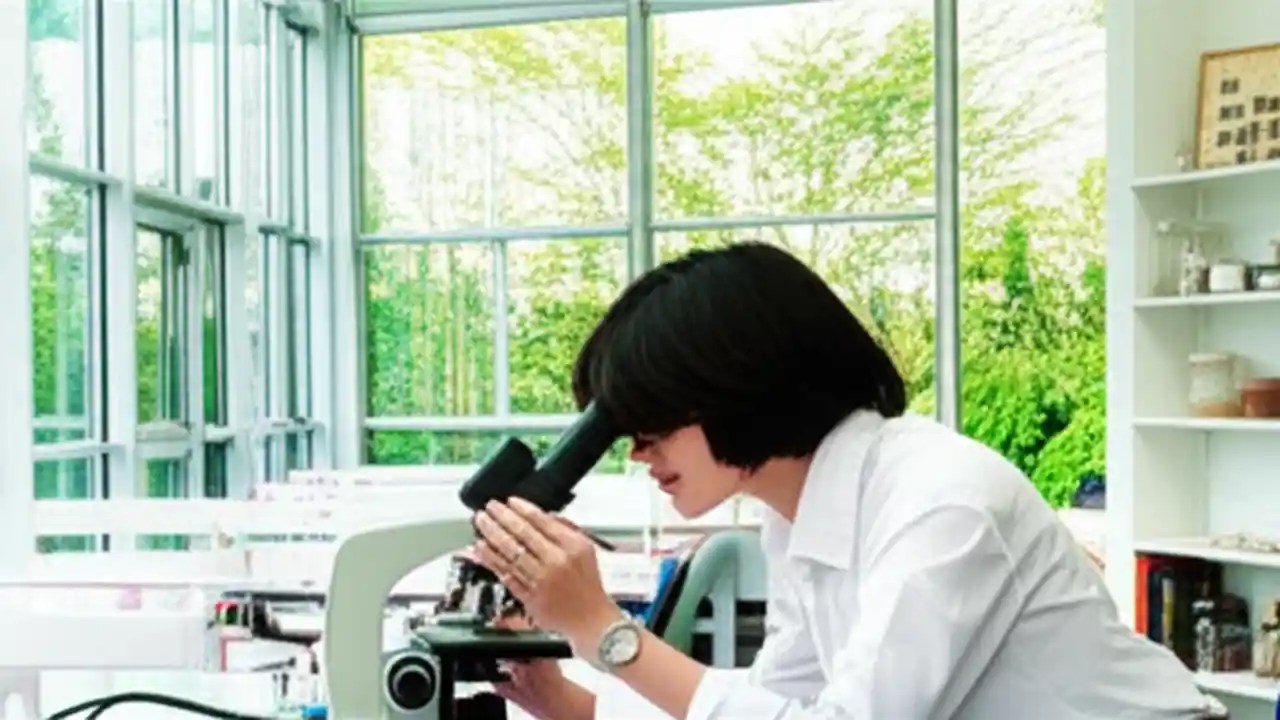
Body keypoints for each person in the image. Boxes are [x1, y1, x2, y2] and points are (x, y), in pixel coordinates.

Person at [470, 242, 1226, 719]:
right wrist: (573, 704)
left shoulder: (941, 499)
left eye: (652, 427)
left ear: (740, 388)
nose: (637, 454)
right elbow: (782, 702)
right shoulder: (798, 510)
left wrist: (604, 631)